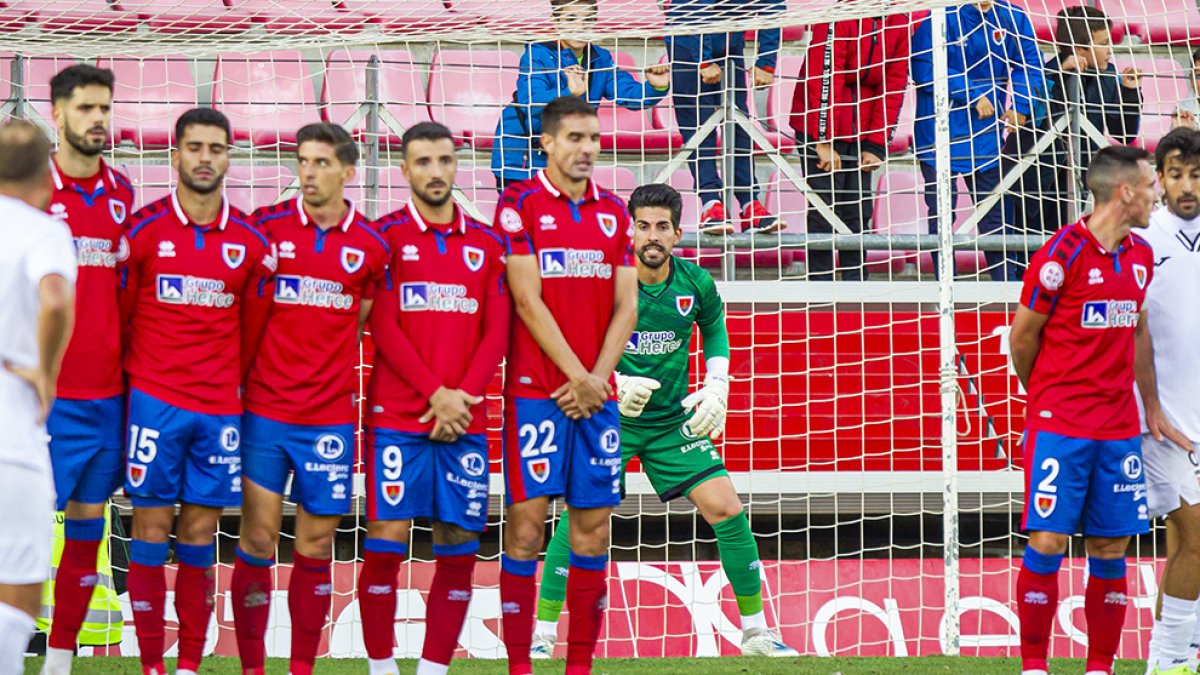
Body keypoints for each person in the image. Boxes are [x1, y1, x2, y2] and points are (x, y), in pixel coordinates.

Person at [529, 183, 798, 658]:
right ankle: (544, 634)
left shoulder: (695, 283)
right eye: (643, 226)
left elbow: (714, 329)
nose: (651, 236)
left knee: (728, 509)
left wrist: (718, 383)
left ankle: (756, 633)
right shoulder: (605, 283)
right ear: (629, 230)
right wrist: (611, 381)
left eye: (662, 228)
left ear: (677, 234)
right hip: (609, 419)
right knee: (580, 520)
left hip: (672, 424)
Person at [1009, 145, 1182, 675]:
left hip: (1118, 428)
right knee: (1048, 539)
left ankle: (1100, 668)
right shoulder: (1061, 256)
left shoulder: (1140, 256)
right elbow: (1023, 338)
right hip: (1061, 425)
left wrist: (1149, 404)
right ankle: (1035, 667)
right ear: (1125, 193)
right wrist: (1047, 397)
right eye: (1153, 186)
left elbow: (1137, 332)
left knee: (1110, 547)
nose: (1159, 196)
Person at [119, 108, 275, 675]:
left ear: (230, 156)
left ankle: (188, 664)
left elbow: (253, 329)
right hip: (155, 402)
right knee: (150, 528)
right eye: (195, 147)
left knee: (201, 531)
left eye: (216, 148)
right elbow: (123, 317)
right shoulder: (142, 231)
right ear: (175, 156)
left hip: (218, 409)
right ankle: (151, 666)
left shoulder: (251, 242)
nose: (205, 157)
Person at [230, 122, 388, 675]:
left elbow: (362, 322)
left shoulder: (370, 246)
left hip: (328, 420)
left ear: (348, 171)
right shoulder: (265, 229)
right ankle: (253, 668)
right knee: (257, 535)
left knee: (316, 546)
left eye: (322, 163)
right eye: (303, 161)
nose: (310, 173)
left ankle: (301, 667)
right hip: (265, 415)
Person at [356, 121, 510, 675]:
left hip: (465, 417)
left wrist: (461, 399)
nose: (436, 172)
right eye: (423, 162)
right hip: (398, 414)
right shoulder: (384, 237)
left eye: (444, 160)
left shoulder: (489, 242)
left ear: (456, 163)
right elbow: (385, 328)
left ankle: (433, 668)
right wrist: (436, 395)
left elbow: (497, 331)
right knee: (386, 539)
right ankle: (379, 667)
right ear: (405, 169)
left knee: (459, 539)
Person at [495, 95, 638, 675]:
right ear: (547, 143)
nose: (586, 149)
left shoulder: (614, 213)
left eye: (593, 138)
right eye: (574, 138)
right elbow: (526, 300)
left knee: (592, 529)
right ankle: (518, 666)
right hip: (536, 393)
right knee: (526, 527)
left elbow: (626, 305)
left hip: (594, 398)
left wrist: (596, 381)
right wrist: (578, 377)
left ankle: (578, 666)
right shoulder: (518, 204)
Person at [39, 64, 134, 675]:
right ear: (57, 114)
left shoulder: (123, 191)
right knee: (15, 535)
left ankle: (57, 661)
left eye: (104, 107)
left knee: (84, 534)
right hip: (40, 397)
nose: (97, 119)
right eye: (84, 108)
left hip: (106, 398)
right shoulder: (23, 192)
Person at [0, 119, 76, 675]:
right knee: (20, 585)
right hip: (12, 428)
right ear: (48, 171)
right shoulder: (43, 230)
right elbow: (55, 299)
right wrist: (46, 372)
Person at [911, 0, 1044, 280]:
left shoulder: (1012, 16)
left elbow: (1030, 64)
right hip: (939, 131)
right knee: (943, 214)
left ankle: (1005, 288)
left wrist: (1021, 105)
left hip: (987, 133)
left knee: (996, 216)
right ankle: (946, 285)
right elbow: (924, 67)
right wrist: (971, 94)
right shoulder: (938, 14)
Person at [1005, 6, 1143, 267]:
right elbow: (1030, 119)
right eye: (1103, 44)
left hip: (1078, 182)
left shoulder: (1109, 76)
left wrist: (1129, 94)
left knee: (1067, 254)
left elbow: (1124, 132)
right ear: (1079, 49)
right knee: (1033, 256)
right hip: (1032, 184)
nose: (1110, 50)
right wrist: (1059, 74)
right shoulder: (1045, 76)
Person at [1136, 127, 1200, 675]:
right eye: (1175, 173)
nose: (1185, 186)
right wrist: (1149, 406)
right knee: (1198, 538)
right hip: (1161, 421)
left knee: (1186, 545)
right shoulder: (1143, 238)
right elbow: (1130, 329)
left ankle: (1183, 649)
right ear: (1158, 177)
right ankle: (1168, 660)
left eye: (1196, 175)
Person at [492, 0, 670, 191]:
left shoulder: (600, 58)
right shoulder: (537, 54)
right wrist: (569, 93)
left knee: (561, 217)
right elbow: (531, 102)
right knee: (526, 215)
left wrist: (655, 88)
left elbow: (630, 95)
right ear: (556, 21)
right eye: (571, 18)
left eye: (587, 20)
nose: (580, 26)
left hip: (565, 154)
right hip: (522, 153)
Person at [788, 15, 911, 281]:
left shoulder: (899, 22)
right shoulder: (838, 18)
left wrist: (877, 145)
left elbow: (894, 85)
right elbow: (824, 77)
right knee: (824, 210)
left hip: (862, 132)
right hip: (817, 125)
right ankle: (819, 287)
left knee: (857, 213)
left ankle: (857, 287)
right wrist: (823, 140)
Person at [665, 0, 784, 233]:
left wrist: (766, 62)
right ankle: (711, 204)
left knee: (739, 121)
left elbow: (774, 7)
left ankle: (750, 203)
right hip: (687, 40)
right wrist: (704, 59)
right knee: (700, 127)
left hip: (730, 45)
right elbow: (691, 8)